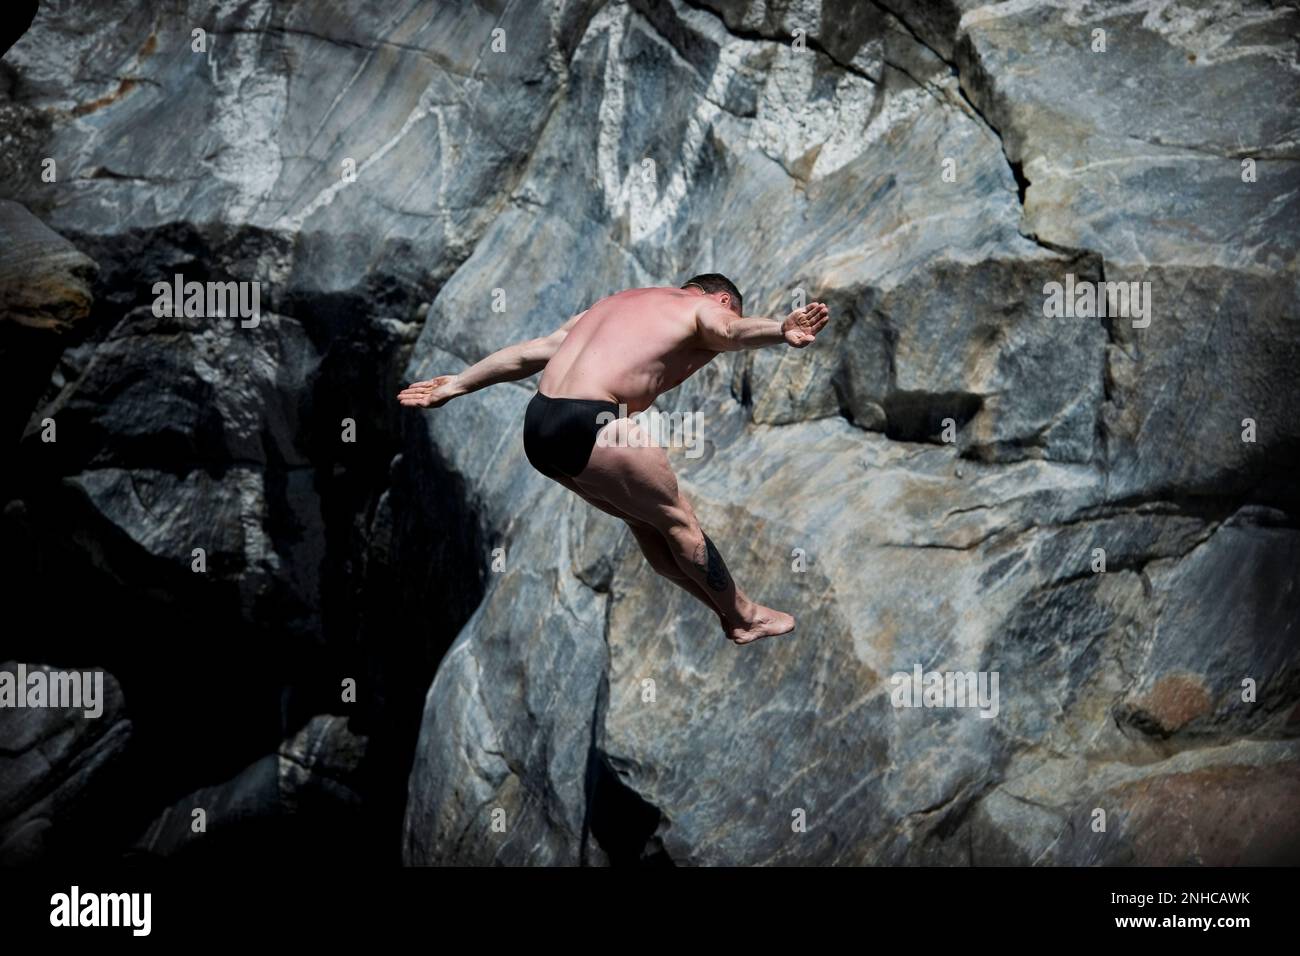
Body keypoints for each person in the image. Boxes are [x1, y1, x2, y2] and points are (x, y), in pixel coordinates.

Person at [398, 274, 830, 644]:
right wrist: (779, 328)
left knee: (645, 521)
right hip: (595, 420)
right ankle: (745, 616)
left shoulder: (616, 305)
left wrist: (457, 384)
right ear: (720, 299)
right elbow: (732, 333)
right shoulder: (702, 309)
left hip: (540, 428)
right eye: (729, 310)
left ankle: (729, 613)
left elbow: (532, 352)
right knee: (679, 521)